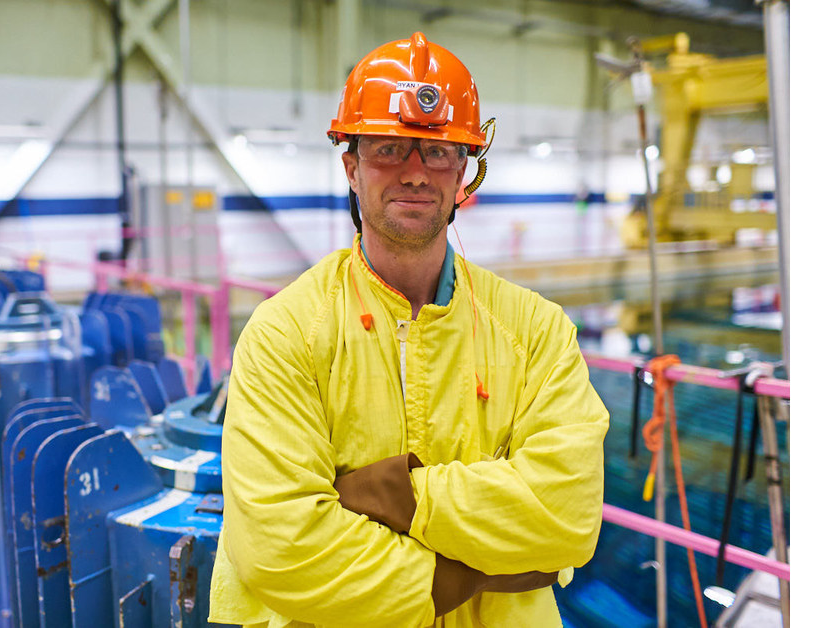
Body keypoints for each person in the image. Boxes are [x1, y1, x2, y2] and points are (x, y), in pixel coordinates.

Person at [208, 32, 609, 627]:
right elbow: (280, 547)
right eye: (390, 148)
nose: (416, 172)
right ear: (352, 165)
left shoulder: (536, 331)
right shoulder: (285, 334)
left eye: (440, 153)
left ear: (464, 176)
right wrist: (463, 573)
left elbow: (567, 513)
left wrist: (398, 496)